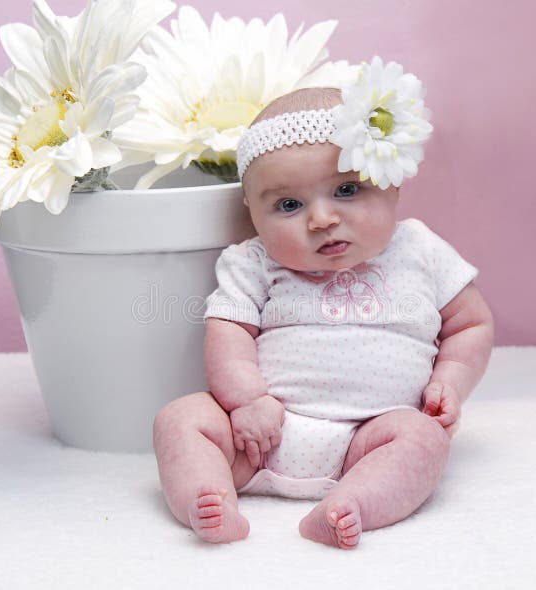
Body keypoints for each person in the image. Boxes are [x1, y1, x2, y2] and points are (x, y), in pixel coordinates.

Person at [152, 58, 494, 549]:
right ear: (252, 210)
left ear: (392, 181)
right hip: (260, 437)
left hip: (368, 438)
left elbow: (469, 325)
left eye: (347, 190)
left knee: (423, 439)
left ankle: (352, 503)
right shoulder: (252, 262)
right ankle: (207, 495)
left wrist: (451, 383)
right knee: (180, 419)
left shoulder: (421, 249)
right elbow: (229, 332)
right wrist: (246, 401)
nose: (322, 219)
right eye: (288, 205)